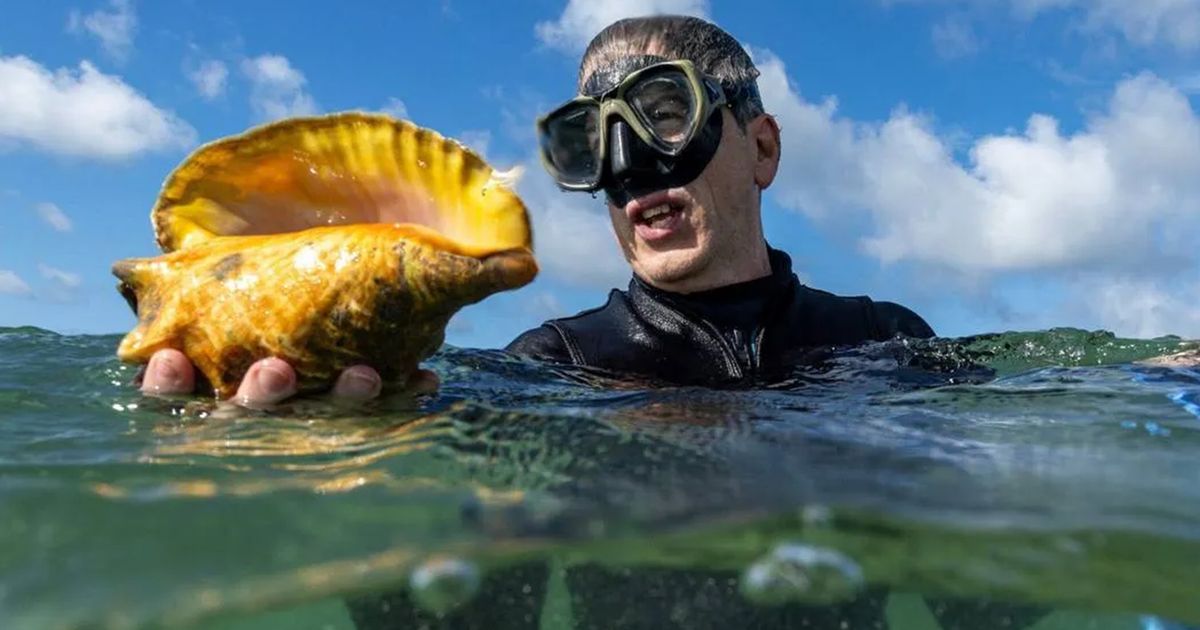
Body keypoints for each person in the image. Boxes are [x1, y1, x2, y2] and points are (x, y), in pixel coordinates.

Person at [139, 14, 1051, 630]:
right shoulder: (550, 367)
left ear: (762, 146)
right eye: (588, 142)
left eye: (662, 117)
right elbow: (459, 611)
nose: (629, 170)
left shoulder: (884, 342)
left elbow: (986, 597)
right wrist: (345, 487)